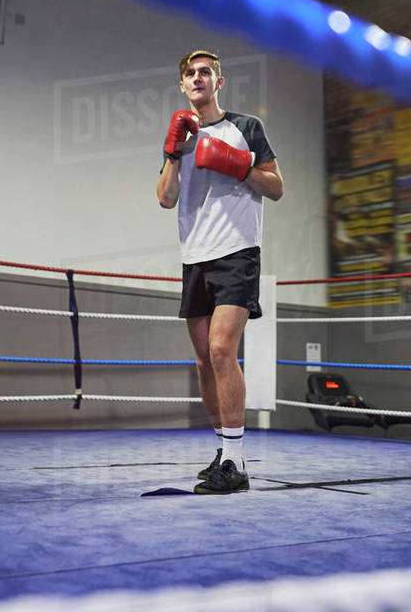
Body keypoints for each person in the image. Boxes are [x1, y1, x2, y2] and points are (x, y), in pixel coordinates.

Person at [156, 49, 283, 494]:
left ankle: (236, 462)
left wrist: (234, 161)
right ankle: (225, 451)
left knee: (222, 350)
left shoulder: (246, 127)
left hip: (237, 252)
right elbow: (165, 198)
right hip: (195, 256)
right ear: (182, 84)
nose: (197, 78)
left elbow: (276, 187)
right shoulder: (180, 136)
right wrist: (174, 154)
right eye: (189, 73)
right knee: (205, 361)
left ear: (219, 82)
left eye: (205, 72)